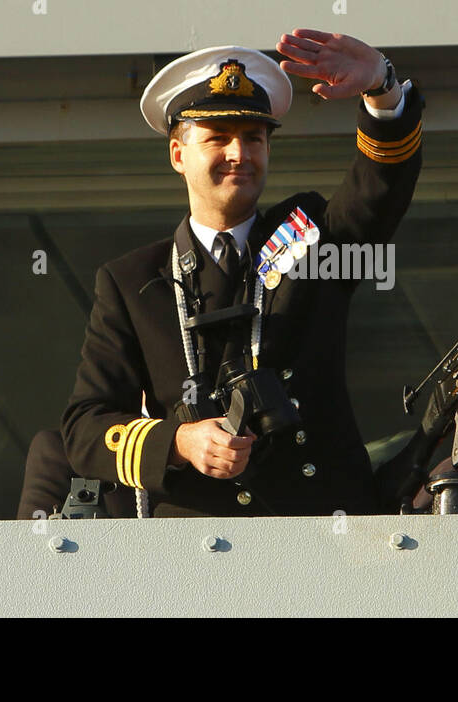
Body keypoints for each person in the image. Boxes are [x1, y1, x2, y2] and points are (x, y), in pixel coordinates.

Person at [62, 29, 423, 517]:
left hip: (323, 542)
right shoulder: (131, 282)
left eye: (254, 138)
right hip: (195, 557)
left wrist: (383, 90)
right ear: (177, 155)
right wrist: (181, 441)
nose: (240, 154)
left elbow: (379, 190)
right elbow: (85, 429)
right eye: (218, 138)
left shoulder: (311, 241)